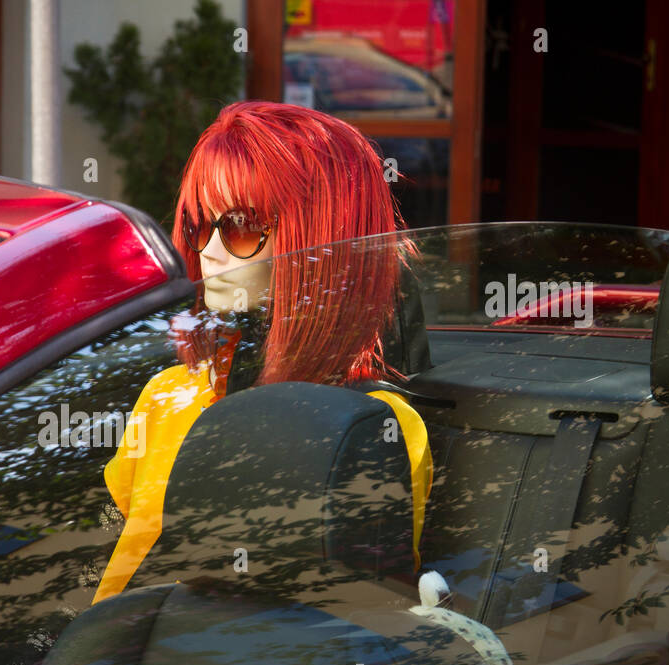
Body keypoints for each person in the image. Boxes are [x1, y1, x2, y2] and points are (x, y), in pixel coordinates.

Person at [93, 101, 433, 604]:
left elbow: (347, 620)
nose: (209, 251)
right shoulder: (168, 395)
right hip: (103, 663)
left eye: (239, 227)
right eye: (198, 225)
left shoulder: (371, 426)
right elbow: (104, 555)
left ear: (320, 241)